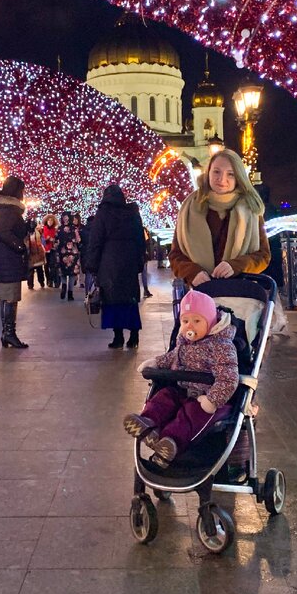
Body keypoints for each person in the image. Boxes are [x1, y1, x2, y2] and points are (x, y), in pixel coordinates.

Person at [124, 288, 239, 467]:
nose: (189, 327)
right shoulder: (184, 342)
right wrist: (156, 362)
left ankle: (171, 441)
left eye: (196, 321)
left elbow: (228, 377)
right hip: (183, 390)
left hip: (208, 398)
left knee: (190, 416)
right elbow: (173, 357)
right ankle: (148, 422)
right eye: (185, 321)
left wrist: (212, 400)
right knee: (164, 397)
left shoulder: (221, 345)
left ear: (211, 322)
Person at [169, 148, 270, 287]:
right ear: (208, 172)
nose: (222, 179)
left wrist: (235, 266)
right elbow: (175, 255)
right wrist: (193, 272)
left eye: (230, 174)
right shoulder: (189, 207)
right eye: (216, 171)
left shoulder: (250, 209)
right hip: (200, 294)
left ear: (238, 178)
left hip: (238, 292)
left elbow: (263, 255)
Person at [84, 184, 147, 349]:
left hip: (109, 262)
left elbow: (96, 241)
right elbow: (141, 238)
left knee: (112, 300)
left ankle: (117, 337)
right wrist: (140, 260)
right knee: (130, 299)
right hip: (129, 261)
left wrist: (91, 264)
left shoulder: (103, 213)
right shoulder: (132, 213)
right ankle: (134, 336)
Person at [0, 175, 29, 348]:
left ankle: (7, 333)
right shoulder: (9, 210)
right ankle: (9, 333)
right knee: (10, 297)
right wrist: (19, 246)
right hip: (9, 260)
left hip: (6, 259)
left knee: (8, 298)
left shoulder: (5, 209)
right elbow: (3, 232)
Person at [56, 210, 80, 302]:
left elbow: (56, 241)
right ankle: (70, 293)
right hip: (73, 252)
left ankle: (64, 285)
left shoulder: (59, 228)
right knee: (71, 274)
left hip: (62, 252)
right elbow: (78, 240)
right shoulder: (74, 228)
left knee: (63, 271)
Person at [27, 223, 47, 289]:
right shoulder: (27, 233)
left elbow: (42, 240)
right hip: (31, 253)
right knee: (31, 270)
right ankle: (30, 284)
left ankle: (41, 282)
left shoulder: (38, 232)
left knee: (39, 269)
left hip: (38, 253)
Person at [42, 214, 59, 287]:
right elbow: (41, 239)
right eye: (49, 220)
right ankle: (48, 280)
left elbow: (57, 239)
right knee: (46, 266)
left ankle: (52, 280)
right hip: (44, 250)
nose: (50, 221)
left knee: (53, 265)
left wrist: (54, 240)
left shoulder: (55, 230)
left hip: (52, 249)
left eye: (51, 220)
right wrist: (46, 239)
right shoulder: (43, 229)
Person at [141, 226, 153, 299]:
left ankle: (145, 290)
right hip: (142, 254)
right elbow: (146, 242)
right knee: (143, 272)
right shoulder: (142, 229)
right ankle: (146, 290)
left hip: (136, 254)